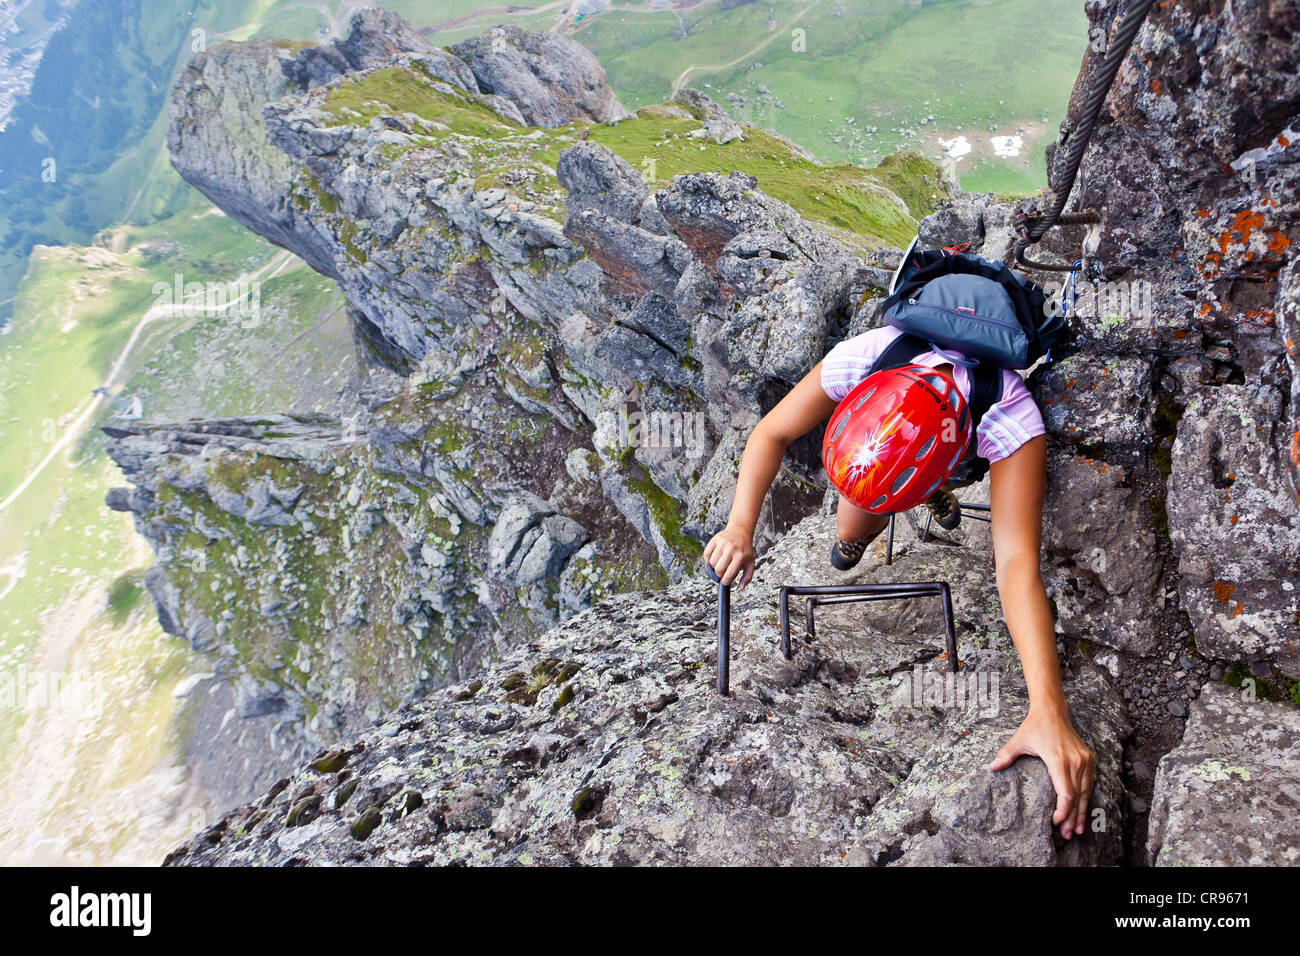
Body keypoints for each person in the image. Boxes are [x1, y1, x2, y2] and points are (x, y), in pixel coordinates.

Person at [703, 323, 1097, 841]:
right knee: (851, 532)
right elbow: (772, 432)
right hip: (925, 435)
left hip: (961, 444)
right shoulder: (866, 355)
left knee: (892, 499)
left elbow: (1016, 565)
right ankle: (888, 514)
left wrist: (1049, 709)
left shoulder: (1010, 412)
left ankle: (934, 486)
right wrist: (738, 526)